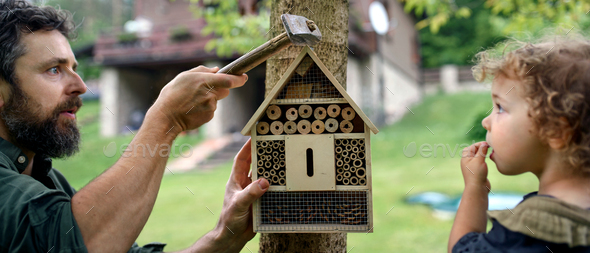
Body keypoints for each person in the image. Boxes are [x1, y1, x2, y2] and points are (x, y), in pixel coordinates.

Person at [0, 0, 269, 252]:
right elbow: (74, 243)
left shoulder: (46, 177)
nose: (81, 86)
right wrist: (166, 119)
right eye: (54, 70)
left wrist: (223, 237)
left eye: (73, 67)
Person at [448, 33, 590, 252]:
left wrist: (475, 189)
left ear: (557, 131)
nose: (486, 122)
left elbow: (461, 249)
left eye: (501, 107)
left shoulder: (526, 233)